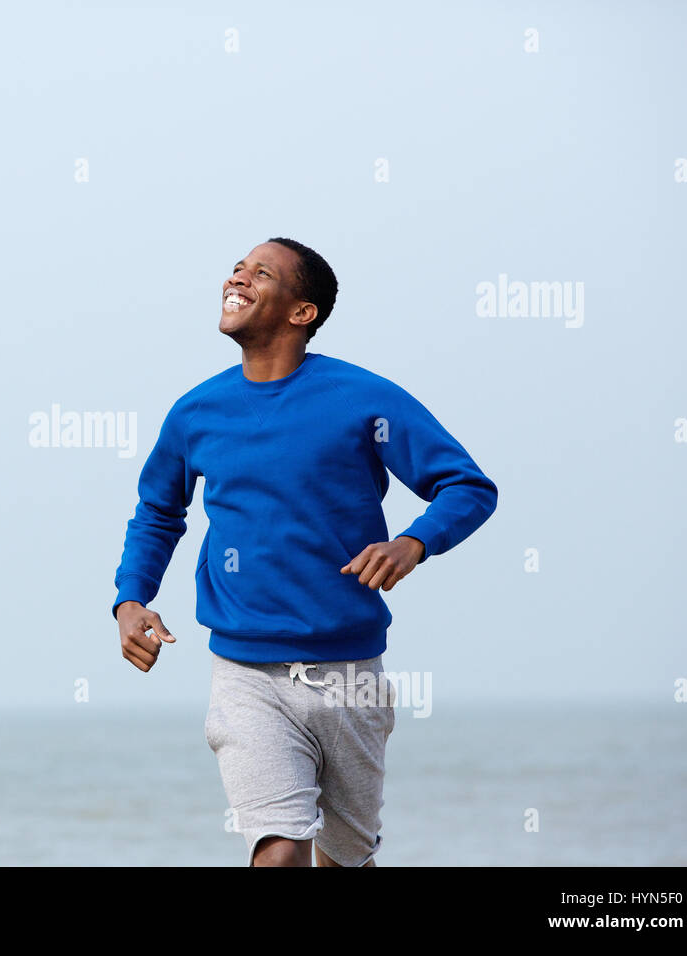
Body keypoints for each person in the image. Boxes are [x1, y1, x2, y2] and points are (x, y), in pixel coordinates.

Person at [111, 238, 498, 867]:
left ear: (302, 312)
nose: (238, 277)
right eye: (237, 267)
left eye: (261, 272)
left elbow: (467, 486)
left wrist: (413, 543)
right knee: (280, 854)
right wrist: (131, 599)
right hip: (245, 676)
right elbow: (159, 510)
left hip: (351, 677)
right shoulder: (196, 412)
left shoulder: (363, 399)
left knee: (345, 859)